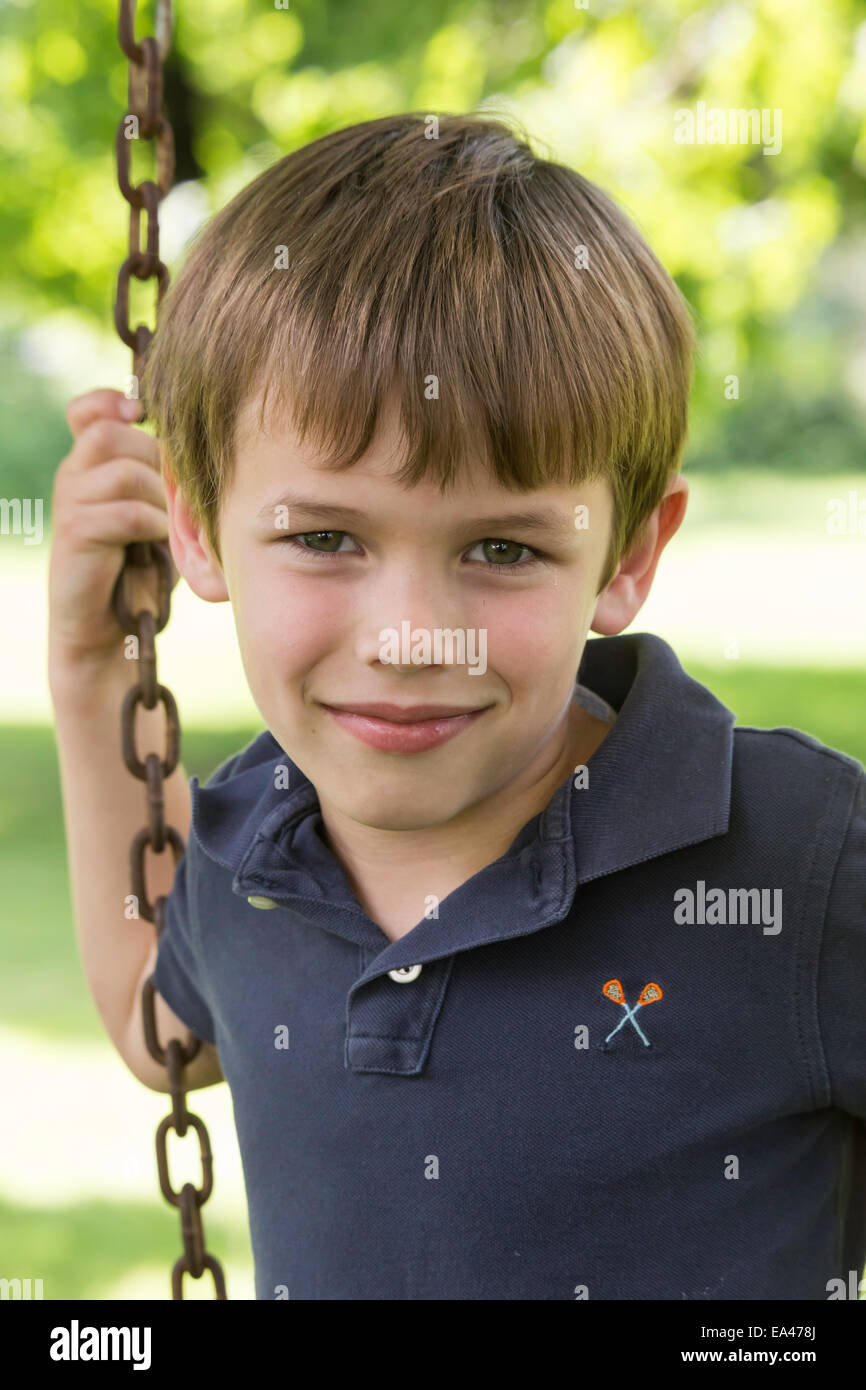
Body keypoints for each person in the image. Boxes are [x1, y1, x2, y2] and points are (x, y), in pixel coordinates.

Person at [48, 112, 866, 1301]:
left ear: (628, 554)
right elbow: (158, 1026)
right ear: (196, 524)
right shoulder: (251, 846)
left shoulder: (798, 861)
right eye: (324, 537)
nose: (409, 636)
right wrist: (93, 667)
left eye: (499, 546)